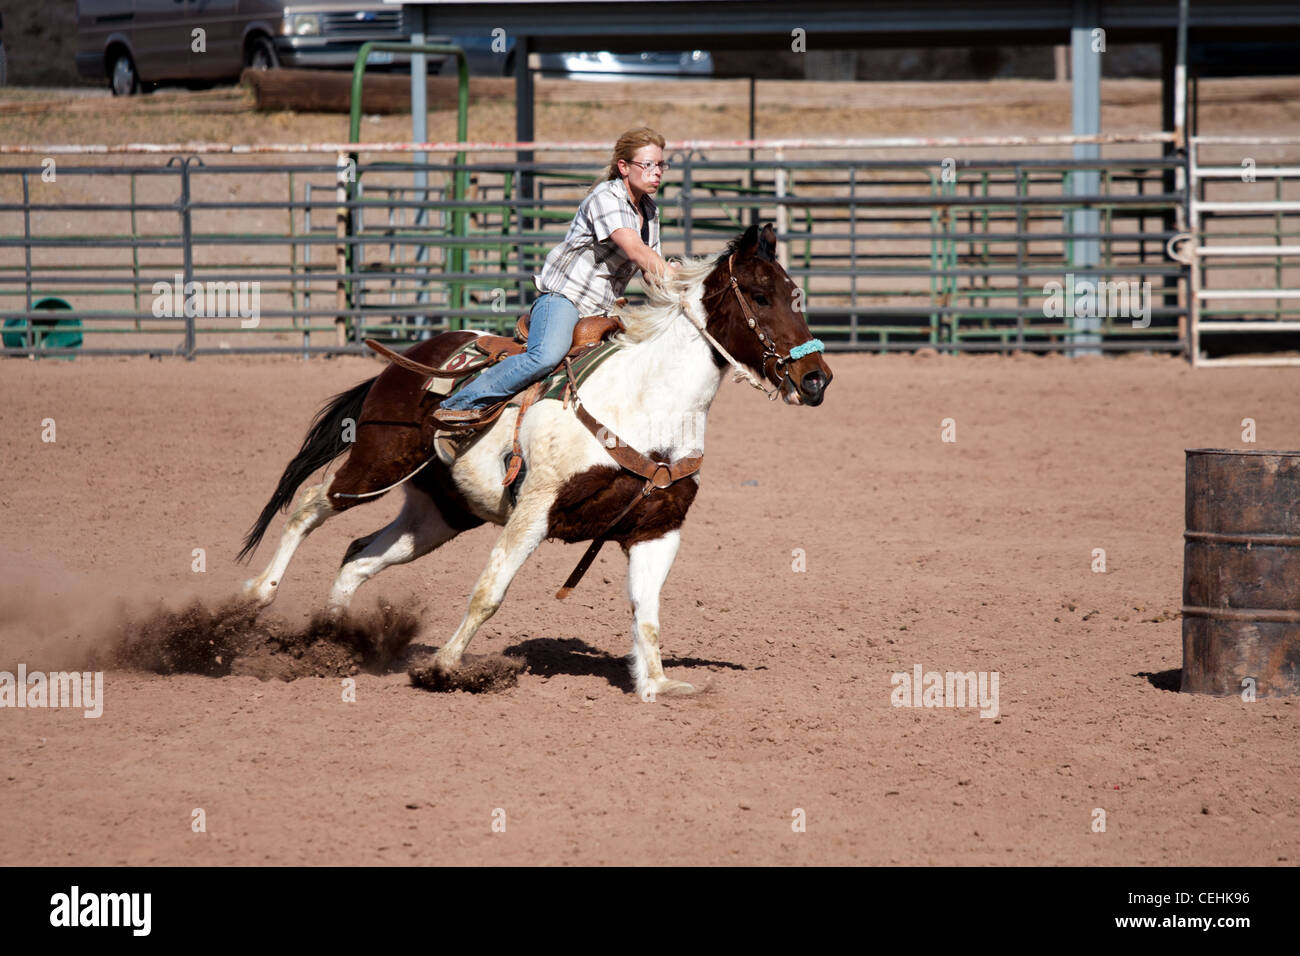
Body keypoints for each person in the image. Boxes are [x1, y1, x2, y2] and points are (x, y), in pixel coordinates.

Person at [433, 127, 677, 425]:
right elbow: (637, 251)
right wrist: (679, 276)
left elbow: (651, 272)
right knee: (545, 356)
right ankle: (459, 403)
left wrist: (675, 285)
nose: (657, 172)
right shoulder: (607, 197)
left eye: (661, 164)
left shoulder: (650, 211)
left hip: (603, 310)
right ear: (624, 167)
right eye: (648, 164)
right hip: (566, 299)